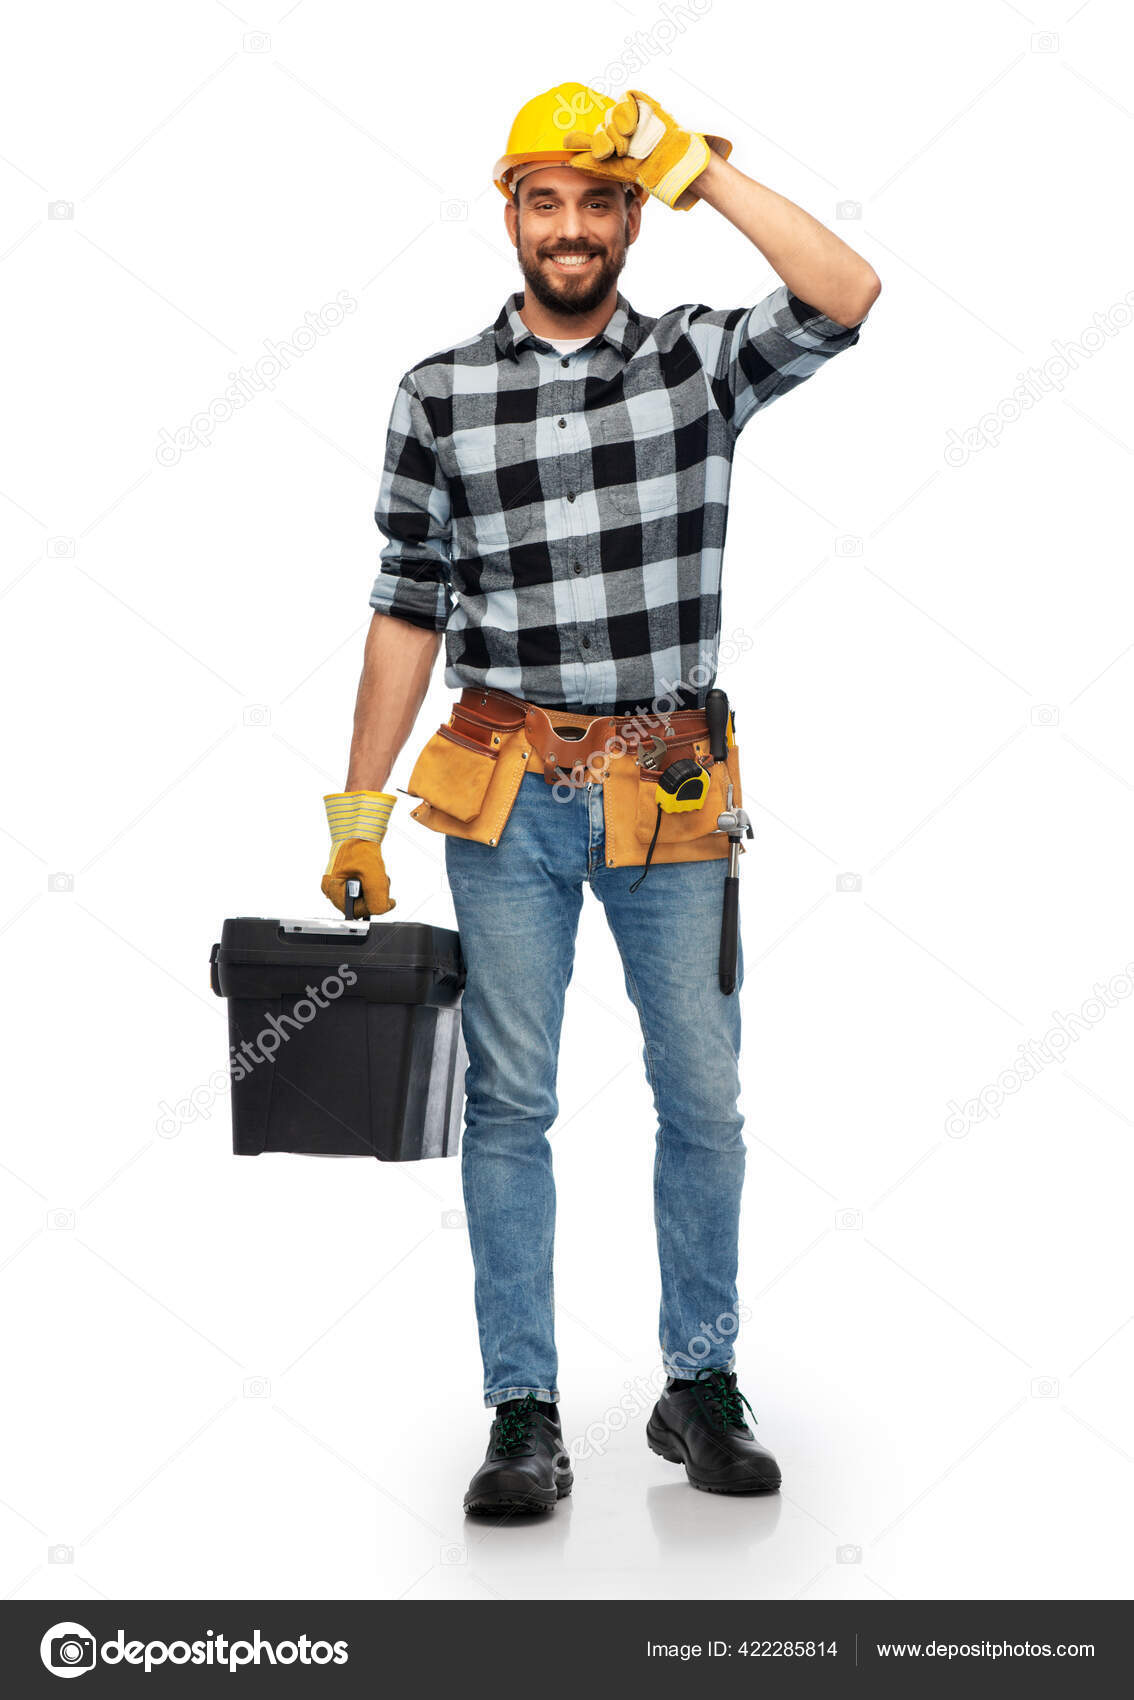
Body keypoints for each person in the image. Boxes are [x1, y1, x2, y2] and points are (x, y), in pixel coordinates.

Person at [321, 83, 880, 1516]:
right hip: (502, 799)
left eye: (599, 200)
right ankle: (522, 1411)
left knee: (702, 1096)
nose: (570, 229)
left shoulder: (698, 366)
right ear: (508, 213)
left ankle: (697, 1383)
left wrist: (701, 170)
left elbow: (843, 290)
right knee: (510, 1106)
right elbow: (404, 608)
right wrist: (357, 809)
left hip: (671, 796)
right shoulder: (437, 395)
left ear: (632, 216)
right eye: (545, 200)